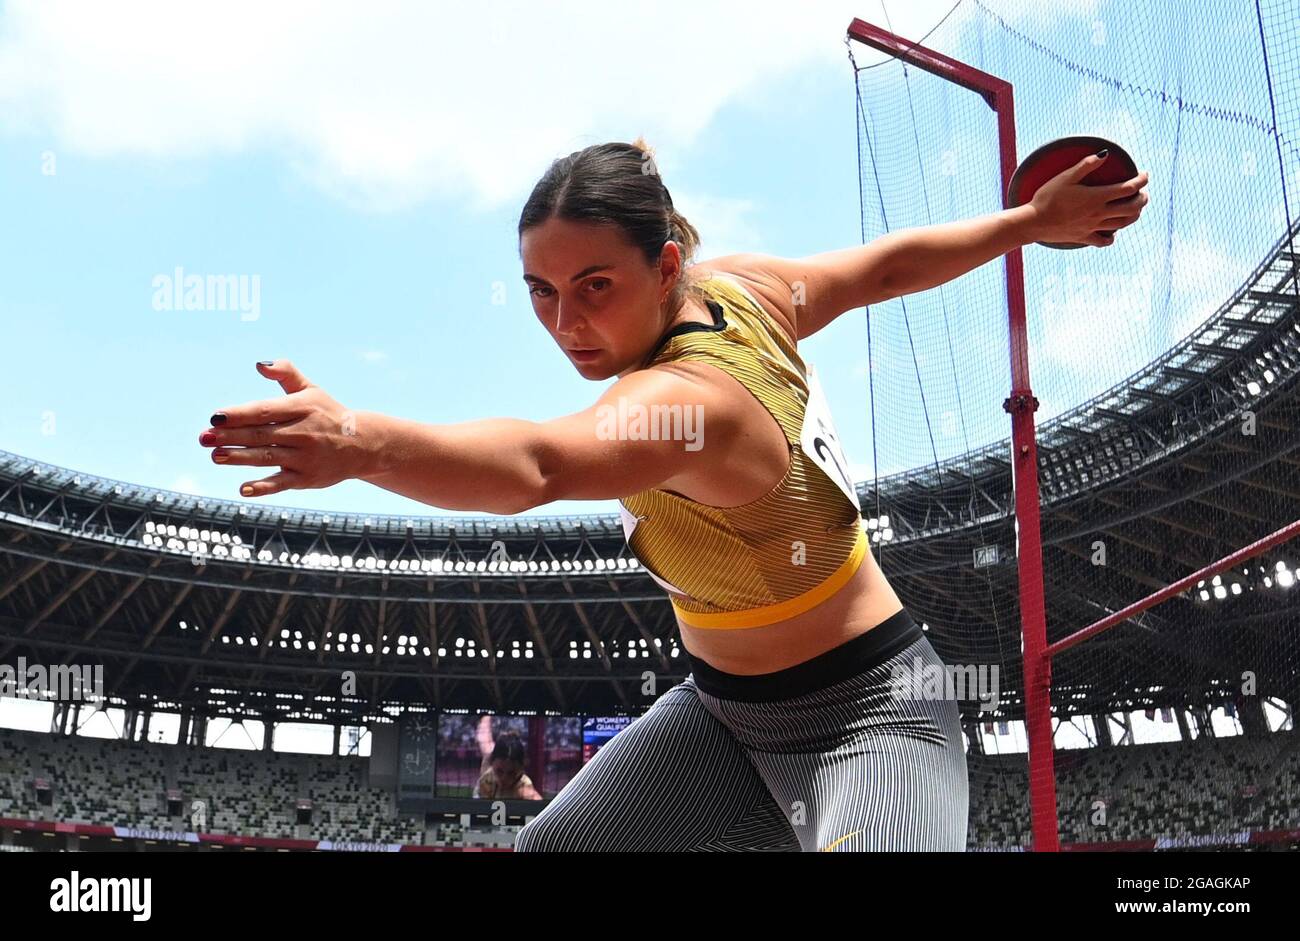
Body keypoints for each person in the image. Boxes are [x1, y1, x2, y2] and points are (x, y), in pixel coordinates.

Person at [199, 137, 1148, 851]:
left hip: (870, 712)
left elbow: (538, 464)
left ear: (664, 267)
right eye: (539, 290)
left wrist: (362, 441)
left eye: (595, 285)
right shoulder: (745, 286)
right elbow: (885, 268)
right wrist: (1028, 224)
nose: (566, 322)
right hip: (724, 715)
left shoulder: (693, 404)